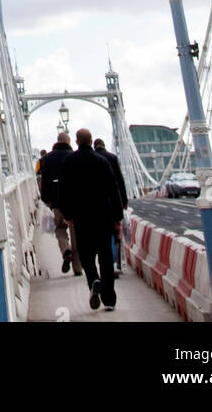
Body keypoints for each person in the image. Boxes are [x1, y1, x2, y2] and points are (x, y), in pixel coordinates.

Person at [57, 128, 123, 311]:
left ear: (77, 142)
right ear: (91, 140)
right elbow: (113, 190)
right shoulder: (102, 161)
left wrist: (68, 215)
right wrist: (118, 217)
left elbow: (62, 191)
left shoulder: (69, 162)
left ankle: (94, 280)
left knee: (86, 255)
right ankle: (109, 299)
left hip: (81, 217)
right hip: (103, 216)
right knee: (106, 257)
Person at [38, 133, 82, 276]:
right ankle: (78, 267)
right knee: (76, 232)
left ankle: (65, 250)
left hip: (57, 202)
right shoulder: (75, 156)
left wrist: (46, 199)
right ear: (69, 142)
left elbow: (44, 182)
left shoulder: (48, 158)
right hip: (75, 201)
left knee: (60, 229)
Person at [94, 138, 128, 276]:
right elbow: (119, 181)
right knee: (113, 234)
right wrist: (123, 202)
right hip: (113, 203)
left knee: (102, 236)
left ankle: (106, 265)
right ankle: (113, 263)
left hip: (96, 204)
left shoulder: (94, 159)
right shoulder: (112, 158)